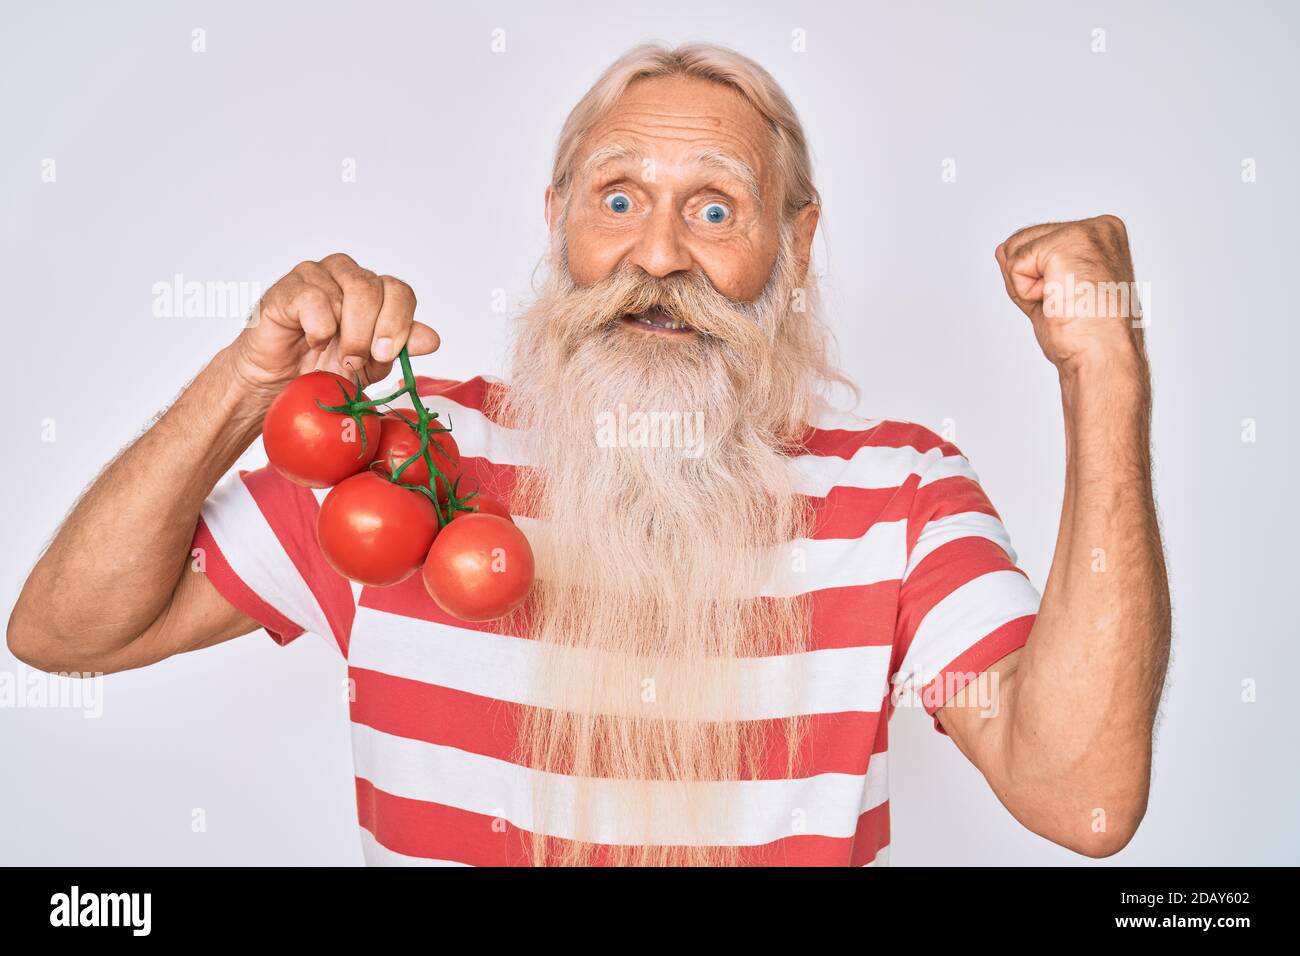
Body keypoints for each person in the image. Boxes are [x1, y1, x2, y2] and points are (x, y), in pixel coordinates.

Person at [7, 42, 1170, 867]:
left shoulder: (899, 495)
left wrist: (1102, 376)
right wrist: (247, 386)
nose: (654, 255)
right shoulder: (404, 460)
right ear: (555, 213)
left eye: (713, 209)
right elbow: (65, 632)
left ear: (796, 243)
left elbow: (1080, 797)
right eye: (616, 199)